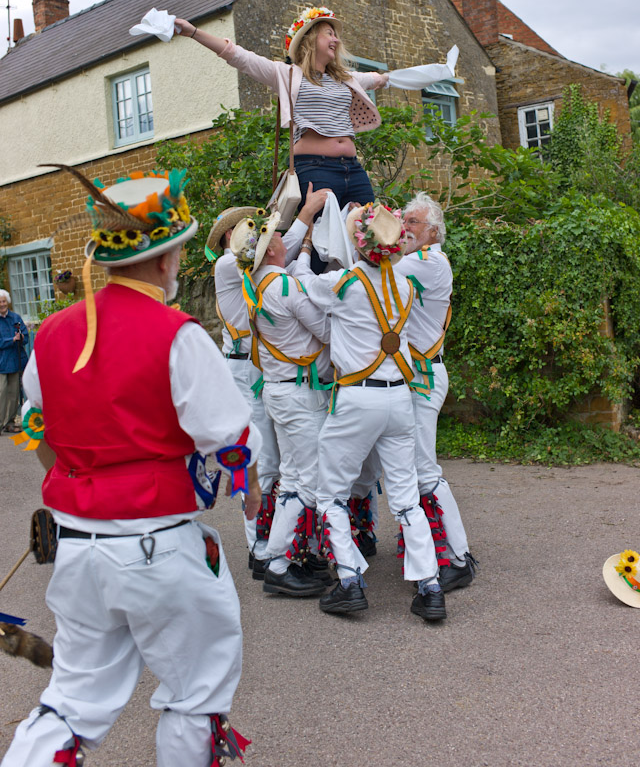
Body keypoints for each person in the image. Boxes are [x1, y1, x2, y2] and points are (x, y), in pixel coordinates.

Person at [1, 168, 261, 767]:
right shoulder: (178, 335)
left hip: (78, 549)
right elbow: (229, 439)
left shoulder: (54, 332)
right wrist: (248, 495)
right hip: (159, 546)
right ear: (167, 259)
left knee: (71, 700)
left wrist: (75, 478)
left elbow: (36, 425)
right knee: (195, 695)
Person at [293, 203, 447, 622]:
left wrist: (305, 249)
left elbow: (303, 284)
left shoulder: (345, 283)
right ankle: (430, 586)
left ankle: (349, 581)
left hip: (358, 400)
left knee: (331, 493)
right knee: (406, 497)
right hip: (400, 399)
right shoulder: (406, 286)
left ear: (358, 245)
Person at [208, 184, 329, 577]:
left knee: (280, 460)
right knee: (260, 460)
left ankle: (280, 543)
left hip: (261, 368)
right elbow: (280, 250)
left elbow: (279, 251)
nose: (262, 234)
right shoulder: (228, 265)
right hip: (244, 371)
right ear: (233, 236)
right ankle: (260, 549)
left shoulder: (251, 266)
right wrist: (305, 215)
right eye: (254, 228)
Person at [174, 6, 388, 216]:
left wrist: (388, 78)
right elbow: (237, 55)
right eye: (329, 33)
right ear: (310, 38)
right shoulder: (287, 75)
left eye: (336, 35)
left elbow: (377, 79)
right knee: (321, 234)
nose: (336, 40)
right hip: (316, 169)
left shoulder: (346, 79)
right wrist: (193, 32)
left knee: (369, 230)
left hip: (353, 169)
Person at [396, 192, 477, 591]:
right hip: (418, 375)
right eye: (403, 220)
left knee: (424, 468)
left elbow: (372, 269)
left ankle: (457, 558)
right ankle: (433, 549)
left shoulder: (427, 262)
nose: (404, 227)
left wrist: (363, 227)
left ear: (433, 231)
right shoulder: (419, 261)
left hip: (424, 377)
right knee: (412, 468)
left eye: (412, 222)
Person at [0, 289, 28, 434]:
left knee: (13, 394)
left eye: (4, 301)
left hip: (15, 360)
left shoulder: (15, 318)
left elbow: (25, 336)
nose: (2, 304)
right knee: (1, 393)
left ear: (8, 302)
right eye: (0, 302)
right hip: (1, 362)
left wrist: (21, 337)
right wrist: (11, 340)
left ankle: (9, 423)